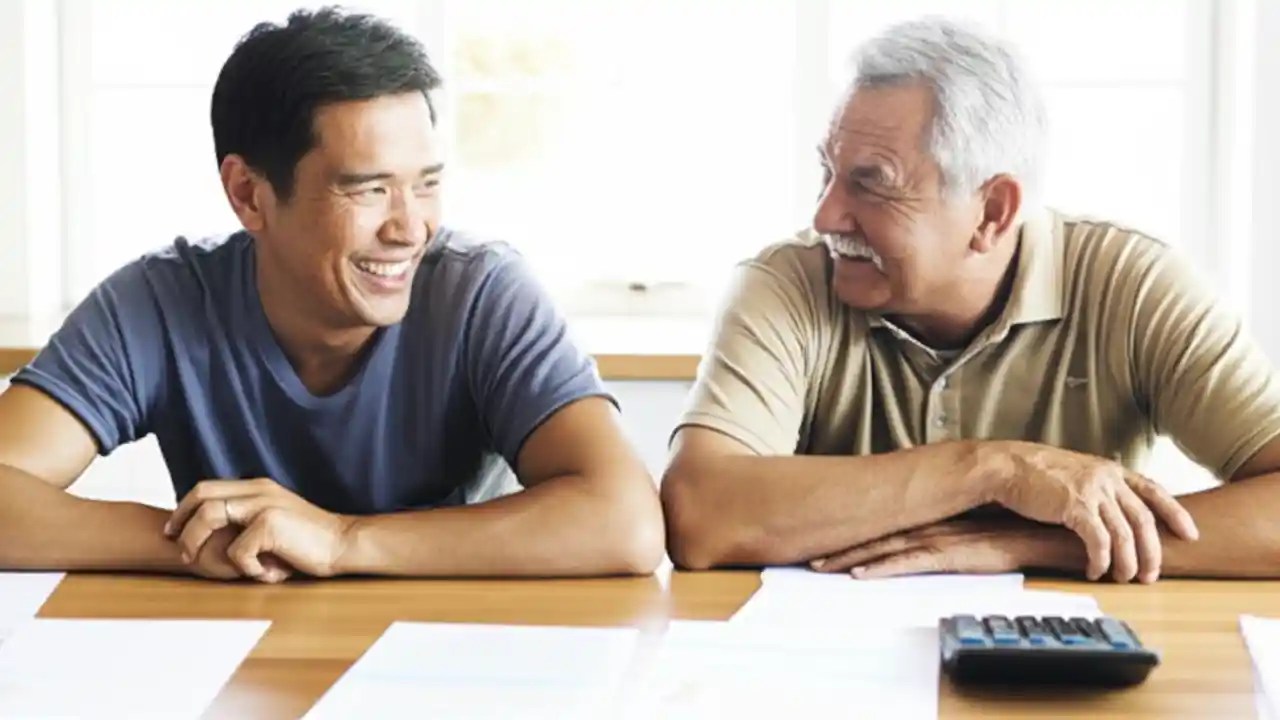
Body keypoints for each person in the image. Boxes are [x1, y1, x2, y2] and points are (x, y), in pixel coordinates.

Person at [0, 8, 663, 583]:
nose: (410, 228)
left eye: (425, 183)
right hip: (239, 660)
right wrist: (200, 541)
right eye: (368, 189)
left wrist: (340, 539)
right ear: (249, 196)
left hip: (450, 648)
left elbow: (626, 522)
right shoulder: (159, 302)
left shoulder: (481, 294)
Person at [663, 17, 1280, 584]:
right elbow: (701, 514)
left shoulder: (1134, 284)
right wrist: (995, 469)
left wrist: (1032, 542)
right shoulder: (787, 284)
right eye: (828, 171)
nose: (825, 215)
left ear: (992, 211)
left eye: (870, 185)